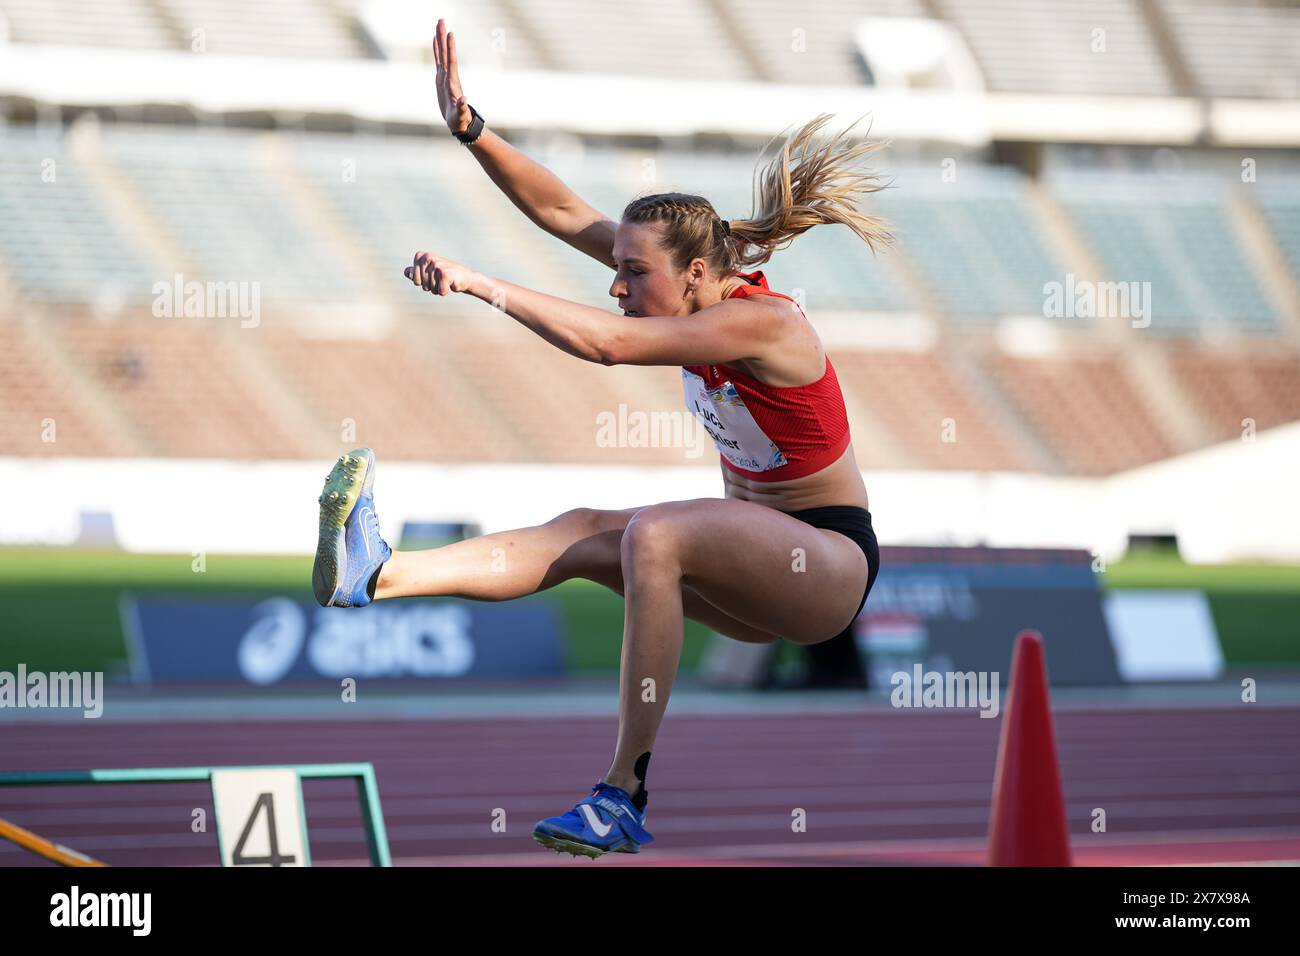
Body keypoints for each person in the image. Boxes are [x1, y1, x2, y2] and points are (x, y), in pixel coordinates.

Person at [311, 19, 888, 858]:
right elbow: (558, 209)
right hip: (753, 576)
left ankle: (622, 792)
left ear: (696, 275)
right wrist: (472, 130)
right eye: (614, 267)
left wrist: (480, 284)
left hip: (826, 567)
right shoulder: (677, 283)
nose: (615, 285)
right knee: (588, 530)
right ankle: (379, 574)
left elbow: (611, 345)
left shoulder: (764, 325)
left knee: (654, 534)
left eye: (632, 273)